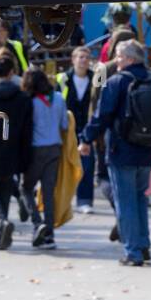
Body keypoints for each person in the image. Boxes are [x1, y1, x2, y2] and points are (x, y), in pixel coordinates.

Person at [80, 39, 151, 266]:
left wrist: (86, 138)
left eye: (120, 57)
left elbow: (101, 116)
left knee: (125, 202)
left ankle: (132, 252)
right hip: (148, 152)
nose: (117, 60)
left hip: (121, 151)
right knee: (140, 198)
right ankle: (143, 246)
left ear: (131, 59)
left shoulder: (116, 82)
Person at [87, 26, 140, 238]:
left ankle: (121, 213)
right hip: (134, 132)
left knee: (102, 176)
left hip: (107, 130)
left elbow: (94, 96)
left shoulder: (102, 69)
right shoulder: (142, 69)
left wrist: (93, 129)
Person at [0, 54, 31, 250]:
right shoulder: (22, 98)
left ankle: (1, 223)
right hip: (12, 150)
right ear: (12, 72)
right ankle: (0, 237)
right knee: (4, 188)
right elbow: (27, 129)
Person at [22, 67, 69, 250]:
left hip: (36, 150)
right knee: (49, 193)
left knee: (26, 188)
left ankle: (37, 222)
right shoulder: (58, 98)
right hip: (55, 149)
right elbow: (64, 124)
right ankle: (50, 235)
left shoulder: (30, 101)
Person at [58, 47, 95, 213]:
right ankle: (62, 200)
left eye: (86, 58)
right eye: (80, 57)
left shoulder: (96, 77)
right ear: (73, 59)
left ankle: (85, 201)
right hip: (67, 127)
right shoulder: (63, 78)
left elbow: (104, 93)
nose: (83, 60)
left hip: (88, 126)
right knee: (64, 164)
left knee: (87, 164)